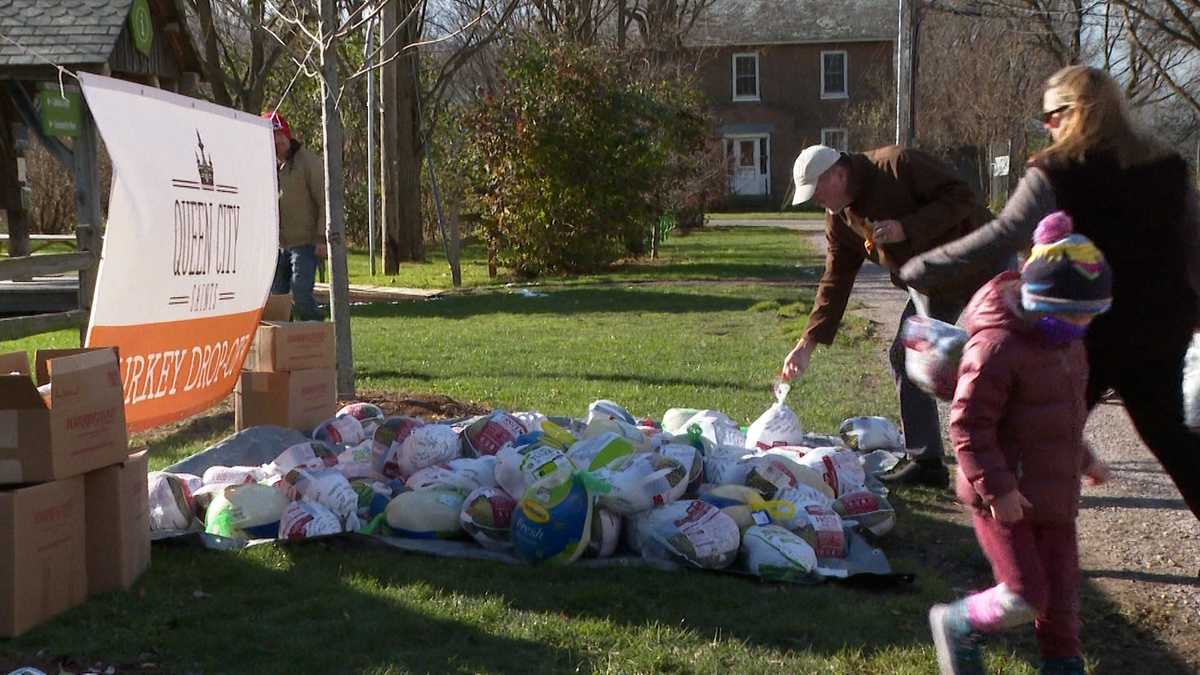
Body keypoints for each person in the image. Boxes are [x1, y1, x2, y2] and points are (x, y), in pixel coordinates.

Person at [901, 65, 1200, 521]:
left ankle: (1021, 557)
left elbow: (1005, 233)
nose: (1046, 126)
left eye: (1051, 115)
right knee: (1169, 435)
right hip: (1160, 323)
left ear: (1075, 113)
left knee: (1028, 431)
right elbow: (1194, 241)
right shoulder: (1167, 166)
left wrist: (926, 265)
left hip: (1081, 328)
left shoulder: (1056, 171)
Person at [929, 212, 1112, 675]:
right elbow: (968, 424)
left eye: (1091, 315)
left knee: (1062, 593)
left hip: (1054, 493)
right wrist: (999, 488)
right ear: (1042, 301)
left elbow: (1057, 418)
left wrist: (1084, 456)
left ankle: (1062, 664)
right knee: (1025, 593)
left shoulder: (1069, 344)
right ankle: (956, 623)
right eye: (1076, 313)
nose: (1084, 323)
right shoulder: (996, 347)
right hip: (1002, 496)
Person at [782, 144, 1000, 487]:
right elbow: (836, 280)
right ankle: (926, 461)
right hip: (934, 283)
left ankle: (1028, 451)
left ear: (839, 173)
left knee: (1007, 357)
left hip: (983, 262)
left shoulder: (899, 164)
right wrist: (806, 343)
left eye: (818, 192)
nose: (816, 201)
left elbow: (963, 197)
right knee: (905, 355)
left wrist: (907, 227)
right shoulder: (840, 218)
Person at [264, 111, 326, 322]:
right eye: (273, 136)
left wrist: (322, 238)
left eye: (281, 134)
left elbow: (324, 200)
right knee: (277, 297)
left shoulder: (308, 162)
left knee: (300, 291)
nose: (278, 140)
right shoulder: (267, 167)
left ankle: (317, 331)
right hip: (279, 246)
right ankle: (285, 344)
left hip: (306, 243)